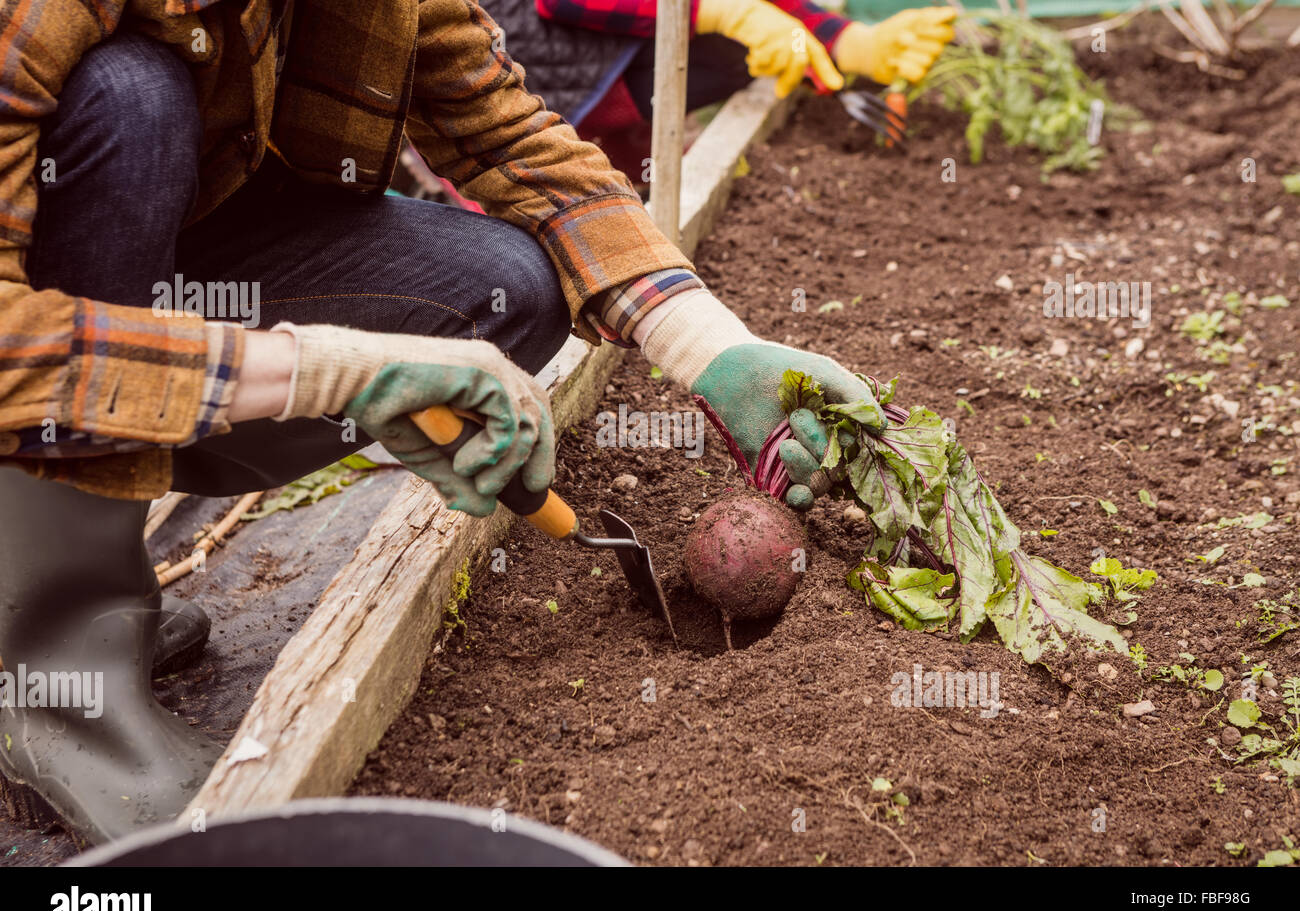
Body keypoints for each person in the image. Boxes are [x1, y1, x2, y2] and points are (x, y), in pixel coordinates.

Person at [0, 0, 887, 845]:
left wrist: (709, 347)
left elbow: (501, 125)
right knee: (130, 98)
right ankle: (53, 666)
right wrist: (328, 368)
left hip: (174, 256)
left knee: (507, 288)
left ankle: (111, 570)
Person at [473, 0, 956, 178]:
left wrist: (846, 40)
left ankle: (631, 170)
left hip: (605, 65)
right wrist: (714, 11)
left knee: (741, 42)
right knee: (734, 44)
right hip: (514, 70)